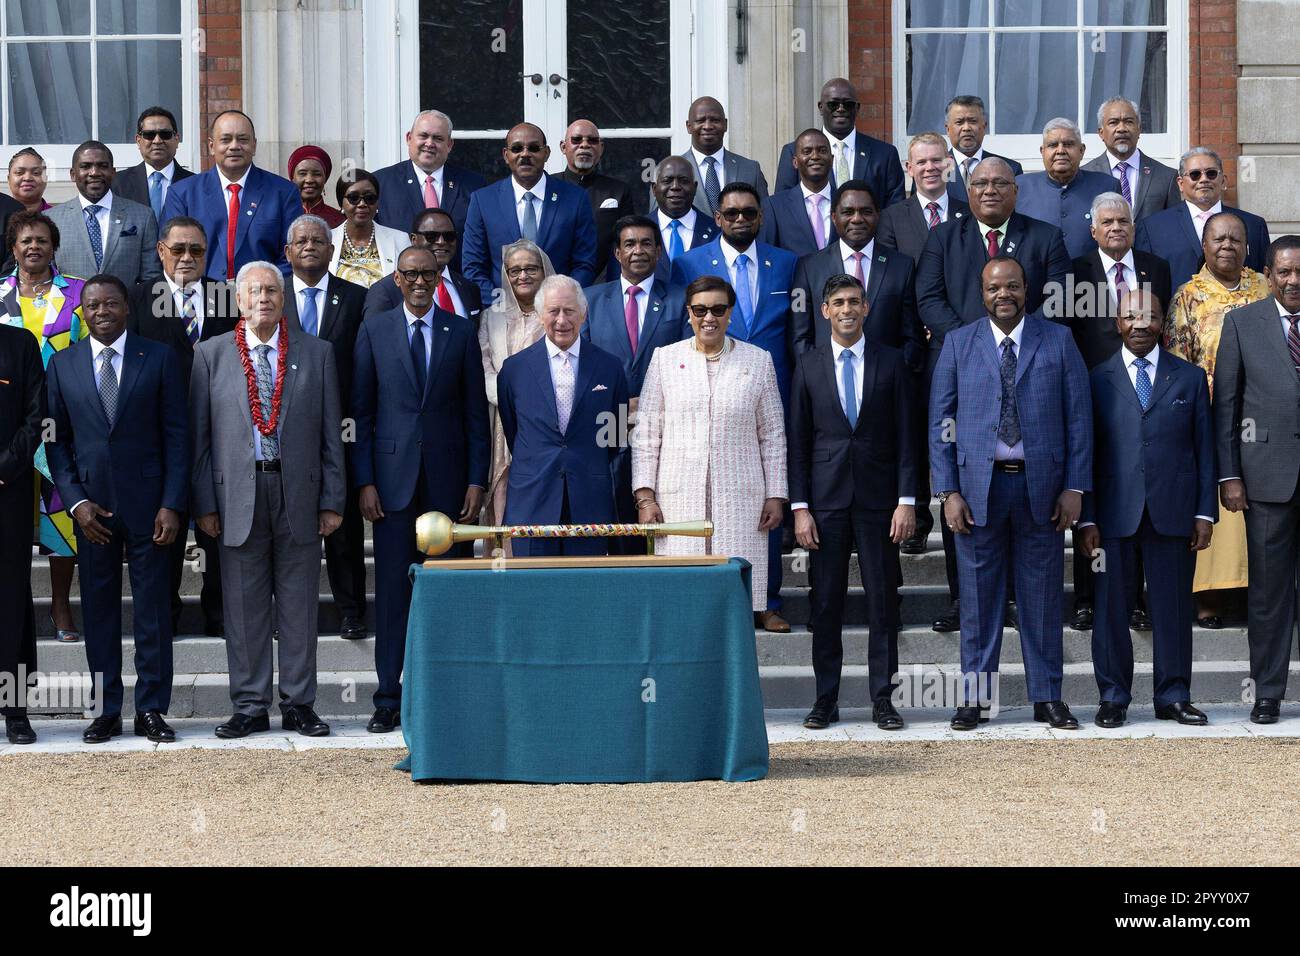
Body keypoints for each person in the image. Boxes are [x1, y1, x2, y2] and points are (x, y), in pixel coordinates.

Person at [930, 257, 1091, 730]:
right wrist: (947, 492)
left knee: (1042, 596)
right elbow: (941, 424)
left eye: (1013, 286)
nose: (1005, 294)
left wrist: (1075, 487)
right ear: (982, 294)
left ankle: (1047, 697)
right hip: (978, 490)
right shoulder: (959, 343)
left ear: (1027, 290)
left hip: (1041, 489)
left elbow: (1079, 421)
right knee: (978, 600)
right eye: (995, 287)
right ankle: (975, 698)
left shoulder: (1058, 340)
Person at [189, 261, 345, 738]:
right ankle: (251, 705)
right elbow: (199, 439)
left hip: (297, 492)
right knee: (243, 605)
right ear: (238, 300)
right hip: (235, 495)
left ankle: (299, 704)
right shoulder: (210, 354)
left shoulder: (317, 353)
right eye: (253, 291)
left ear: (284, 299)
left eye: (272, 291)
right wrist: (205, 506)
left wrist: (332, 498)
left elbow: (331, 436)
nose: (263, 298)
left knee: (299, 604)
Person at [916, 157, 1071, 631]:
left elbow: (1060, 294)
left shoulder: (1044, 236)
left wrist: (1013, 333)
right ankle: (962, 601)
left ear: (1015, 190)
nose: (989, 190)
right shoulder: (945, 237)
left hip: (1030, 364)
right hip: (962, 371)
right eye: (979, 183)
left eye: (999, 183)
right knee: (965, 495)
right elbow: (928, 298)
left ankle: (1022, 611)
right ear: (968, 188)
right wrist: (978, 340)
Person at [352, 245, 489, 733]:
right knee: (392, 593)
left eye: (427, 274)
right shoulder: (375, 329)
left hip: (451, 487)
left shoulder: (459, 332)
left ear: (437, 277)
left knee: (450, 591)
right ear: (396, 277)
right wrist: (365, 480)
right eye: (410, 273)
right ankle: (388, 695)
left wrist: (477, 479)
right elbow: (362, 415)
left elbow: (476, 415)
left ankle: (448, 693)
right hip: (391, 487)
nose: (418, 281)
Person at [45, 274, 187, 744]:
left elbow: (177, 437)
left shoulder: (160, 358)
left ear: (127, 308)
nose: (101, 311)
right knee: (100, 612)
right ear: (81, 312)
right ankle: (106, 709)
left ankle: (151, 708)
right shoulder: (63, 365)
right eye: (92, 305)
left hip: (151, 510)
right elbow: (56, 443)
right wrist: (76, 502)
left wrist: (171, 503)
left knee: (152, 612)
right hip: (92, 511)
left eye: (110, 303)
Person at [1078, 288, 1215, 728]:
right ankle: (1113, 697)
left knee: (1173, 608)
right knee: (1112, 609)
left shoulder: (1190, 379)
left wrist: (1204, 513)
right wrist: (1088, 515)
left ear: (1163, 323)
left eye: (1150, 316)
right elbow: (1087, 452)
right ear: (1117, 322)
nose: (1141, 325)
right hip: (1113, 516)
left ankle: (1173, 695)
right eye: (1131, 316)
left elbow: (1204, 450)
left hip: (1173, 513)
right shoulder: (1095, 379)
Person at [789, 274, 917, 731]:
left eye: (855, 301)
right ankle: (826, 699)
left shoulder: (892, 361)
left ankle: (883, 699)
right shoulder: (807, 364)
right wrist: (799, 507)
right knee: (825, 604)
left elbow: (908, 435)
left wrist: (907, 500)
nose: (847, 309)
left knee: (884, 602)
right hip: (824, 504)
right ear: (824, 310)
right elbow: (798, 441)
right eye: (838, 301)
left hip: (881, 502)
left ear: (866, 309)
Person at [671, 182, 797, 631]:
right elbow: (682, 322)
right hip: (709, 381)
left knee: (763, 505)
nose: (740, 219)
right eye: (731, 213)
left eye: (749, 212)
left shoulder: (785, 262)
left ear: (760, 216)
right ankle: (708, 603)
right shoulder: (688, 263)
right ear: (717, 217)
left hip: (769, 384)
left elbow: (795, 330)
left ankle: (769, 600)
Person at [633, 274, 786, 623]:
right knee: (681, 600)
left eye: (718, 309)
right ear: (688, 313)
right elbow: (646, 433)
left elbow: (773, 434)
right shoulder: (665, 359)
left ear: (730, 313)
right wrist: (645, 497)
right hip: (676, 500)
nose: (709, 318)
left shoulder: (758, 361)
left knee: (734, 597)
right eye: (700, 309)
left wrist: (776, 494)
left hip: (742, 499)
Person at [795, 180, 925, 554]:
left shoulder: (900, 265)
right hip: (828, 407)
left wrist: (896, 373)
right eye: (847, 212)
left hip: (883, 403)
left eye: (865, 211)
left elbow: (912, 334)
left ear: (878, 216)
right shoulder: (810, 266)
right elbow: (801, 336)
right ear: (833, 217)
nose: (857, 218)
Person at [1065, 192, 1172, 631]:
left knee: (1142, 491)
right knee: (1093, 493)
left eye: (1122, 221)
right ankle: (1088, 598)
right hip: (1095, 395)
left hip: (1146, 392)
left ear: (1133, 225)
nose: (1115, 228)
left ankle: (1137, 599)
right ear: (1093, 230)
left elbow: (1161, 327)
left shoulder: (1156, 268)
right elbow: (1067, 335)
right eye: (1106, 222)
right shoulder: (1076, 272)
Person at [127, 216, 238, 637]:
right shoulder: (140, 299)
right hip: (160, 437)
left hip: (219, 435)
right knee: (165, 532)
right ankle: (165, 616)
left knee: (218, 532)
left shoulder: (226, 297)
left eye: (197, 250)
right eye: (179, 250)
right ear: (161, 251)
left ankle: (220, 615)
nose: (188, 258)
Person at [1165, 212, 1269, 627]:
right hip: (1209, 412)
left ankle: (1252, 589)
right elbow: (1176, 360)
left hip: (1263, 411)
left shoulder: (1265, 286)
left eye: (1236, 239)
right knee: (1219, 505)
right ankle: (1210, 595)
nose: (1227, 245)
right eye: (1218, 239)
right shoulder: (1188, 295)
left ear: (1247, 246)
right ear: (1204, 246)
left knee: (1260, 502)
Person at [1213, 235, 1300, 725]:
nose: (1293, 281)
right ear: (1268, 275)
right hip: (1266, 480)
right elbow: (1226, 403)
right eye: (1284, 272)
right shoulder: (1243, 323)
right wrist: (1230, 475)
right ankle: (1267, 692)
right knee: (1268, 595)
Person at [497, 275, 629, 556]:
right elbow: (515, 432)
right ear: (540, 315)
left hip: (590, 503)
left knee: (585, 594)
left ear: (583, 313)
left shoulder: (610, 367)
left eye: (569, 311)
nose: (561, 320)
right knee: (535, 595)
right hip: (532, 502)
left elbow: (615, 439)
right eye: (553, 311)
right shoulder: (514, 370)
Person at [283, 214, 369, 639]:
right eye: (301, 241)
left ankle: (351, 610)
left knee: (344, 525)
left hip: (342, 428)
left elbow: (364, 364)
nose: (310, 246)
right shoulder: (269, 296)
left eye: (319, 240)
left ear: (332, 251)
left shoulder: (356, 297)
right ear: (288, 252)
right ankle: (288, 615)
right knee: (287, 527)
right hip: (282, 431)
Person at [1, 211, 85, 643]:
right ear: (13, 248)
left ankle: (59, 605)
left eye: (42, 240)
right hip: (10, 426)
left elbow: (90, 353)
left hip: (60, 418)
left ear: (54, 247)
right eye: (25, 240)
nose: (34, 247)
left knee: (59, 515)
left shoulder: (79, 293)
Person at [583, 215, 689, 545]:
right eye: (629, 244)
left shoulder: (679, 299)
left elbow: (688, 360)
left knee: (659, 517)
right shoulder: (590, 299)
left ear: (659, 252)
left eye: (646, 243)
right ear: (616, 253)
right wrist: (615, 402)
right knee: (612, 513)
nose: (638, 251)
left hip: (663, 420)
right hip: (607, 420)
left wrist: (652, 400)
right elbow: (582, 364)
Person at [461, 123, 598, 301]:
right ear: (506, 155)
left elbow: (584, 263)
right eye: (517, 148)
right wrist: (503, 305)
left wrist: (560, 302)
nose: (525, 154)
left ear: (546, 153)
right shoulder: (483, 201)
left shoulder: (575, 199)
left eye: (533, 148)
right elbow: (473, 267)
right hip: (502, 316)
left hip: (558, 314)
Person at [161, 110, 302, 279]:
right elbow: (172, 254)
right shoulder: (182, 193)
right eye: (226, 139)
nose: (234, 146)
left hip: (261, 298)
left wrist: (262, 286)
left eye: (242, 139)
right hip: (201, 298)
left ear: (254, 145)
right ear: (212, 146)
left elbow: (294, 255)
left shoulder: (283, 193)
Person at [479, 240, 554, 531]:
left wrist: (529, 403)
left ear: (543, 270)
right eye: (515, 270)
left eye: (531, 268)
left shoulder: (556, 313)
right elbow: (483, 365)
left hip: (544, 419)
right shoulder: (491, 316)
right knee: (501, 496)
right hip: (499, 420)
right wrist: (511, 399)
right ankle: (504, 568)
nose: (522, 276)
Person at [1134, 147, 1271, 286]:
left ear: (1223, 181)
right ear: (1181, 184)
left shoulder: (1253, 225)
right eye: (1195, 175)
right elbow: (1145, 285)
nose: (1204, 179)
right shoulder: (1152, 228)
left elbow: (1265, 281)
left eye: (1211, 173)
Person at [0, 318, 44, 744]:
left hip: (7, 490)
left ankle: (15, 710)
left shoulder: (19, 343)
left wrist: (5, 468)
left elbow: (36, 416)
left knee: (10, 599)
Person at [775, 78, 905, 208]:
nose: (841, 109)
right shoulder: (794, 151)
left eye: (848, 104)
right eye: (833, 104)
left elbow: (896, 212)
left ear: (857, 108)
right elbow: (783, 206)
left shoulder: (885, 154)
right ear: (820, 107)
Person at [47, 141, 161, 286]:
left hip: (127, 307)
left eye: (102, 166)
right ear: (73, 174)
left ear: (113, 173)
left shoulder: (143, 216)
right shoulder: (51, 219)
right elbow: (46, 276)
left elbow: (150, 278)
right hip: (69, 307)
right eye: (85, 166)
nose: (94, 172)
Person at [373, 110, 486, 249]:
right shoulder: (381, 183)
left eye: (438, 138)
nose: (430, 143)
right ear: (409, 138)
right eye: (423, 136)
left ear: (449, 145)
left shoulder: (473, 185)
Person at [1014, 118, 1115, 259]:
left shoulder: (1107, 186)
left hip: (1091, 276)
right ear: (1042, 151)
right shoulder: (1019, 186)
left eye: (1068, 144)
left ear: (1081, 150)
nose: (1060, 150)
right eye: (1053, 145)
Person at [363, 208, 482, 324]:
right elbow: (375, 338)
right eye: (431, 236)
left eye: (449, 236)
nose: (441, 242)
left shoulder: (469, 289)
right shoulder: (385, 290)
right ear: (414, 240)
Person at [876, 132, 970, 264]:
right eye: (921, 162)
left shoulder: (970, 214)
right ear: (910, 169)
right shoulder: (891, 218)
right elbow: (890, 272)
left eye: (936, 160)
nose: (930, 167)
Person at [1081, 96, 1180, 222]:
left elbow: (1175, 225)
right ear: (1101, 133)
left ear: (1139, 129)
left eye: (1128, 122)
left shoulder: (1166, 177)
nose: (1122, 128)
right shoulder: (1085, 175)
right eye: (1113, 122)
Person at [558, 119, 635, 277]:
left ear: (601, 148)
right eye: (576, 140)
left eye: (592, 140)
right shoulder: (548, 187)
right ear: (563, 147)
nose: (585, 145)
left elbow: (625, 243)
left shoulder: (619, 190)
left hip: (604, 285)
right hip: (554, 286)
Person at [679, 96, 769, 216]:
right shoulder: (671, 172)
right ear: (688, 126)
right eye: (700, 121)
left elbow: (764, 218)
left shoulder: (751, 169)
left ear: (725, 124)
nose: (708, 126)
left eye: (715, 120)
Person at [760, 130, 836, 258]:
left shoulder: (844, 202)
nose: (815, 156)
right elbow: (766, 255)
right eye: (807, 152)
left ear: (832, 159)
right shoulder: (774, 206)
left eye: (822, 151)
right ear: (795, 162)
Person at [327, 169, 406, 287]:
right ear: (341, 203)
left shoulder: (400, 239)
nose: (362, 204)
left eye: (369, 198)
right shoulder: (326, 240)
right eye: (354, 198)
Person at [114, 107, 195, 221]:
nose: (157, 141)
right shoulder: (118, 183)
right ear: (138, 140)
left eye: (165, 134)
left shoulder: (194, 184)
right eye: (149, 135)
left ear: (176, 139)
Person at [646, 156, 717, 282]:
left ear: (695, 188)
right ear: (654, 189)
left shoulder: (716, 231)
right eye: (667, 180)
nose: (675, 187)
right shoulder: (637, 231)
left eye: (684, 181)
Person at [944, 95, 1023, 205]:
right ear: (947, 129)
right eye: (959, 122)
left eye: (972, 121)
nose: (966, 128)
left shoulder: (1010, 168)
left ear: (984, 126)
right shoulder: (937, 169)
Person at [287, 145, 345, 228]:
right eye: (302, 173)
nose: (309, 180)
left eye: (317, 174)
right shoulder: (281, 218)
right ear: (292, 178)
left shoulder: (339, 220)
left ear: (325, 178)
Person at [8, 148, 52, 213]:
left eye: (36, 173)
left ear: (45, 179)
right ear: (8, 179)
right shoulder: (2, 215)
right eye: (19, 172)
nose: (27, 178)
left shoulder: (60, 216)